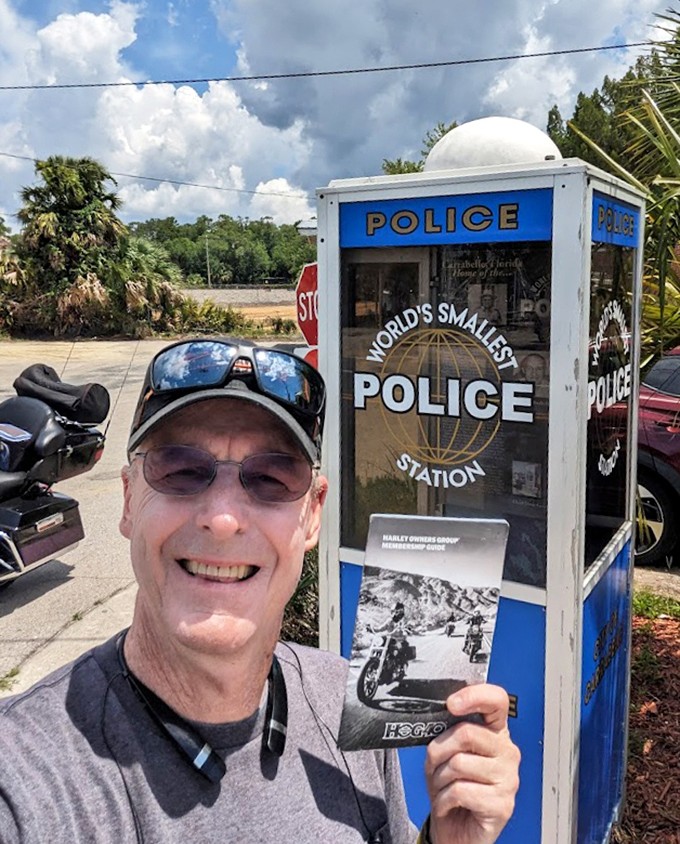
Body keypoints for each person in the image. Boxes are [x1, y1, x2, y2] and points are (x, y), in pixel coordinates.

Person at [0, 338, 520, 844]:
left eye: (272, 478)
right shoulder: (24, 783)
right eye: (181, 470)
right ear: (130, 499)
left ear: (313, 514)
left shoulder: (344, 704)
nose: (223, 518)